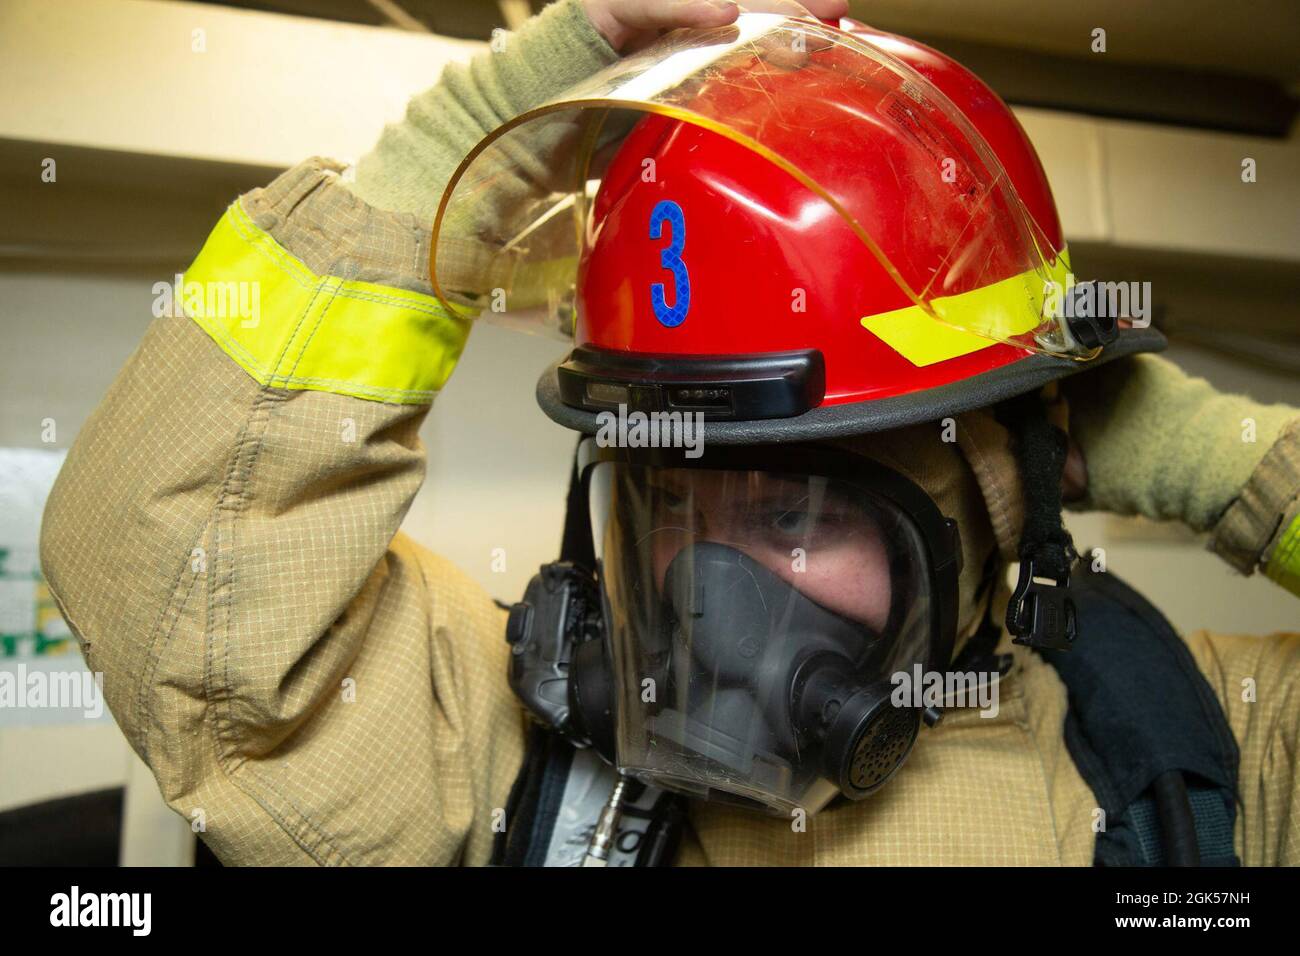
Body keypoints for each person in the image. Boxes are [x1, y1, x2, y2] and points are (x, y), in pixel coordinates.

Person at [40, 0, 1299, 866]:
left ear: (998, 494)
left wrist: (1213, 464)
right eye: (671, 502)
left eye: (797, 511)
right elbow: (160, 579)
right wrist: (470, 140)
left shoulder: (1204, 757)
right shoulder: (511, 765)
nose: (706, 598)